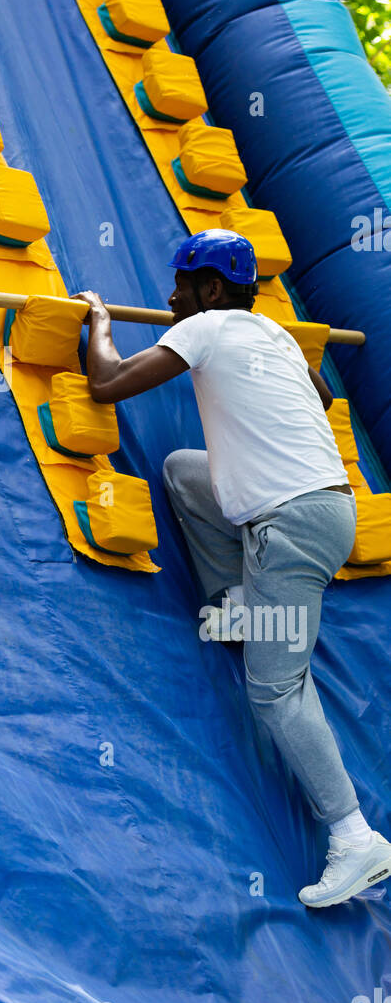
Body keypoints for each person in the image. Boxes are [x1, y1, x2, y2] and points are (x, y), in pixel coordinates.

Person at [76, 228, 391, 907]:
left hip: (291, 527)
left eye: (182, 286)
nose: (170, 295)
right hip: (322, 511)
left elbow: (106, 384)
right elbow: (323, 396)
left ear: (211, 290)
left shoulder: (209, 327)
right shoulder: (273, 333)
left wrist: (99, 323)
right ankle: (239, 606)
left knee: (274, 691)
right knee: (186, 475)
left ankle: (354, 835)